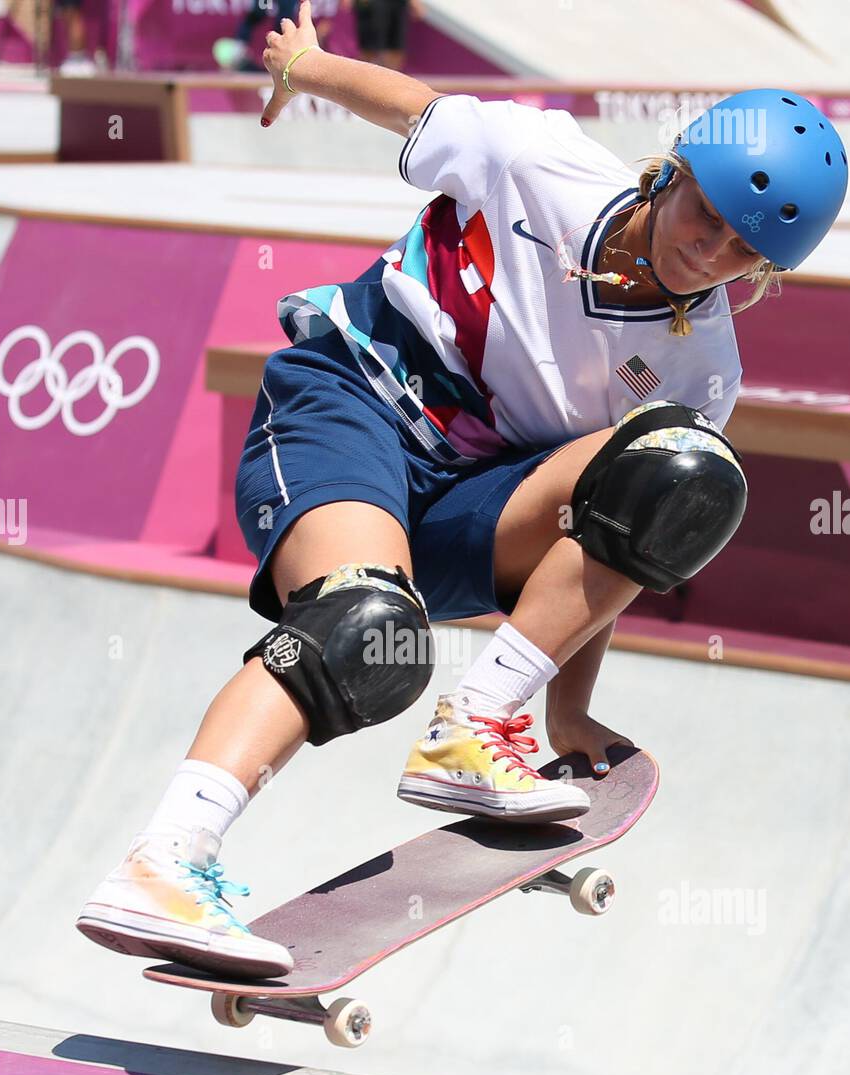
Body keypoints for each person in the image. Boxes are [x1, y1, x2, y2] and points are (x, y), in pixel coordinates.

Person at [76, 2, 846, 977]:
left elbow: (603, 535)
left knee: (677, 467)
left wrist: (563, 716)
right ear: (674, 170)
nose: (709, 252)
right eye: (705, 215)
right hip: (348, 407)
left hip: (467, 504)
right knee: (363, 630)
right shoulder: (538, 162)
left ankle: (474, 725)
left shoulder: (699, 372)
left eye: (742, 251)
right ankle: (166, 861)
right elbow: (412, 108)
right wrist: (307, 65)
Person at [351, 0, 423, 70]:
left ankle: (391, 80)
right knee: (369, 49)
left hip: (398, 3)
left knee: (395, 48)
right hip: (373, 4)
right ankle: (361, 78)